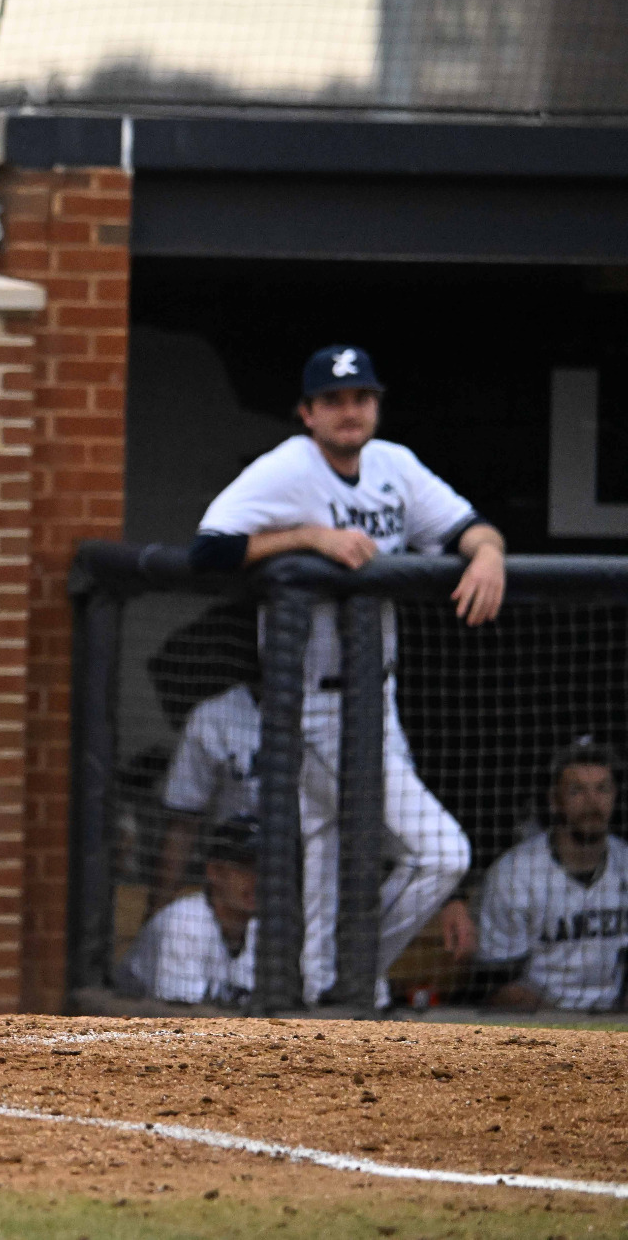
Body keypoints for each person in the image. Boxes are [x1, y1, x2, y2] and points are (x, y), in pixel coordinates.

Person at [188, 345, 497, 1007]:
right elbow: (207, 547)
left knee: (326, 853)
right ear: (307, 412)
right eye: (333, 400)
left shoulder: (395, 466)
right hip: (310, 704)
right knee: (441, 851)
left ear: (376, 405)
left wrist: (489, 554)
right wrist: (306, 536)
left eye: (360, 397)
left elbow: (468, 527)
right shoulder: (287, 470)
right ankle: (348, 974)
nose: (349, 410)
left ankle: (324, 988)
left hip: (375, 695)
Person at [470, 738, 627, 1012]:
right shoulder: (514, 874)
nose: (593, 803)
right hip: (538, 1023)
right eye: (577, 790)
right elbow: (494, 985)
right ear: (554, 800)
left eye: (602, 789)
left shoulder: (624, 861)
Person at [123, 816, 259, 1006]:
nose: (256, 879)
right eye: (245, 867)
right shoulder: (184, 922)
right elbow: (180, 1020)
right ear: (214, 871)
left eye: (262, 867)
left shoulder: (262, 932)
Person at [152, 681, 260, 905]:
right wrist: (156, 912)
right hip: (242, 862)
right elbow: (183, 822)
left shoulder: (331, 714)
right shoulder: (216, 716)